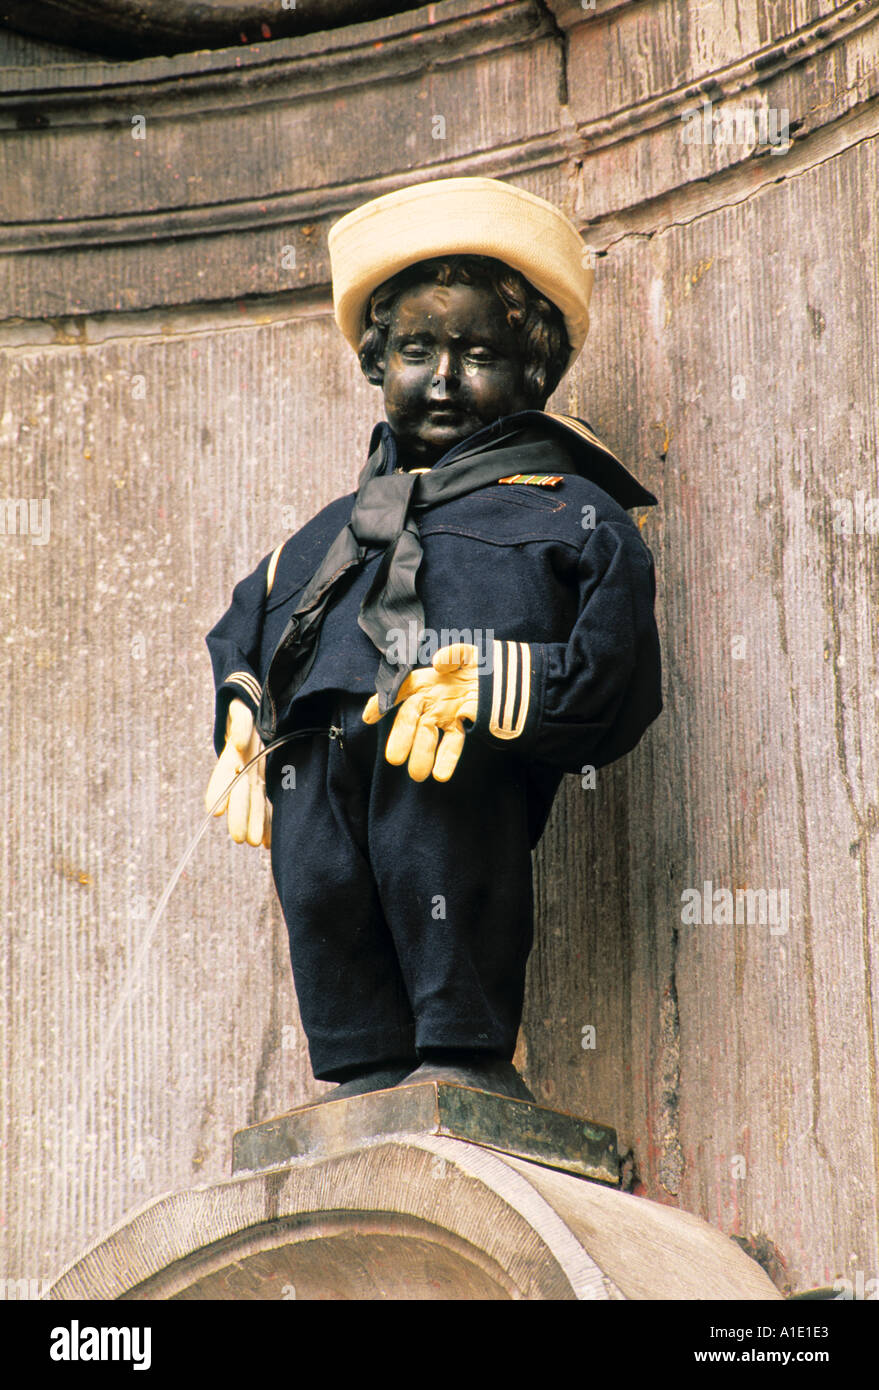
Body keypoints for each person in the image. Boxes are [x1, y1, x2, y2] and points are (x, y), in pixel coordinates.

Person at [205, 177, 662, 1104]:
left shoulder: (575, 513)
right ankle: (362, 1063)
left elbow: (617, 671)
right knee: (321, 888)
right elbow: (244, 625)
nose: (445, 378)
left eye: (478, 351)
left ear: (533, 373)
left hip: (445, 746)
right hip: (312, 760)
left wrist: (496, 684)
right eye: (417, 348)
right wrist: (242, 722)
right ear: (377, 362)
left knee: (442, 861)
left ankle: (466, 1053)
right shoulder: (323, 532)